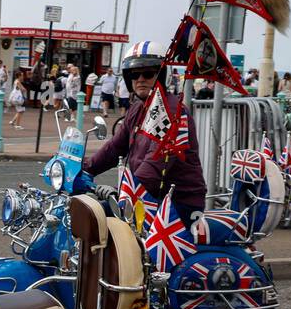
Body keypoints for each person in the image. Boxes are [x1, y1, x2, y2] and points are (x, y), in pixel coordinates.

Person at [83, 40, 206, 221]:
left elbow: (154, 163)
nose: (140, 79)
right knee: (86, 216)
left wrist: (124, 191)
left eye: (148, 73)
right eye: (134, 74)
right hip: (145, 196)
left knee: (95, 218)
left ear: (162, 75)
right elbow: (115, 148)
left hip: (177, 203)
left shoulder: (171, 111)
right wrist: (83, 169)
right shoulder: (137, 108)